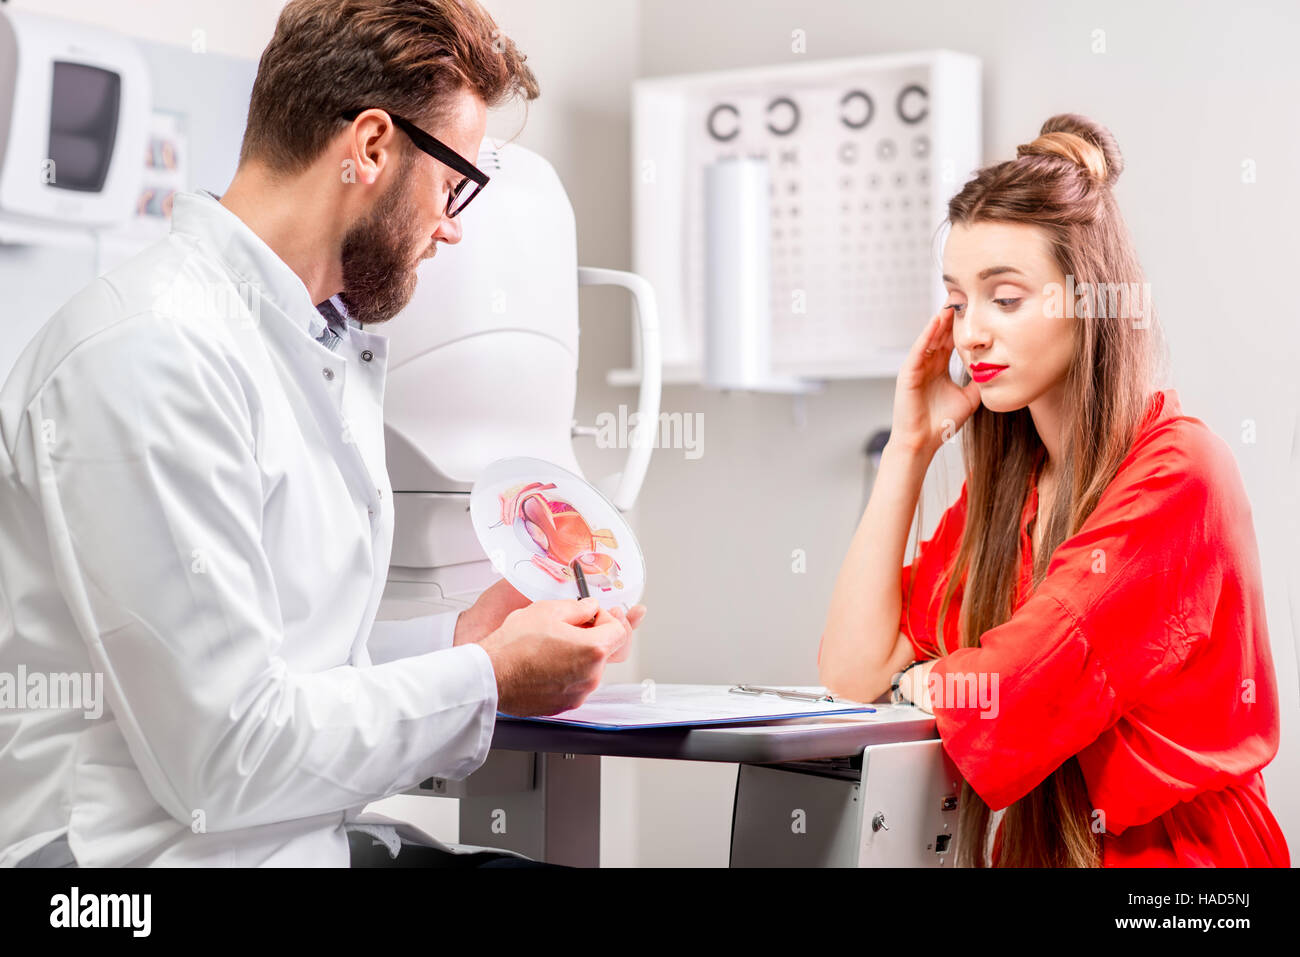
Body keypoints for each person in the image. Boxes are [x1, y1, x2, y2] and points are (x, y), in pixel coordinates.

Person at [0, 0, 644, 868]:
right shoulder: (152, 355)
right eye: (454, 185)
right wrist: (489, 678)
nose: (452, 225)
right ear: (371, 147)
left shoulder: (302, 343)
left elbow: (287, 661)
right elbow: (226, 759)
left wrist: (466, 642)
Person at [818, 114, 1288, 867]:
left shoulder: (1181, 472)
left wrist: (940, 676)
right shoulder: (1014, 493)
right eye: (958, 300)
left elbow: (1017, 684)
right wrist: (909, 446)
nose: (970, 333)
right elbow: (854, 667)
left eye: (1005, 299)